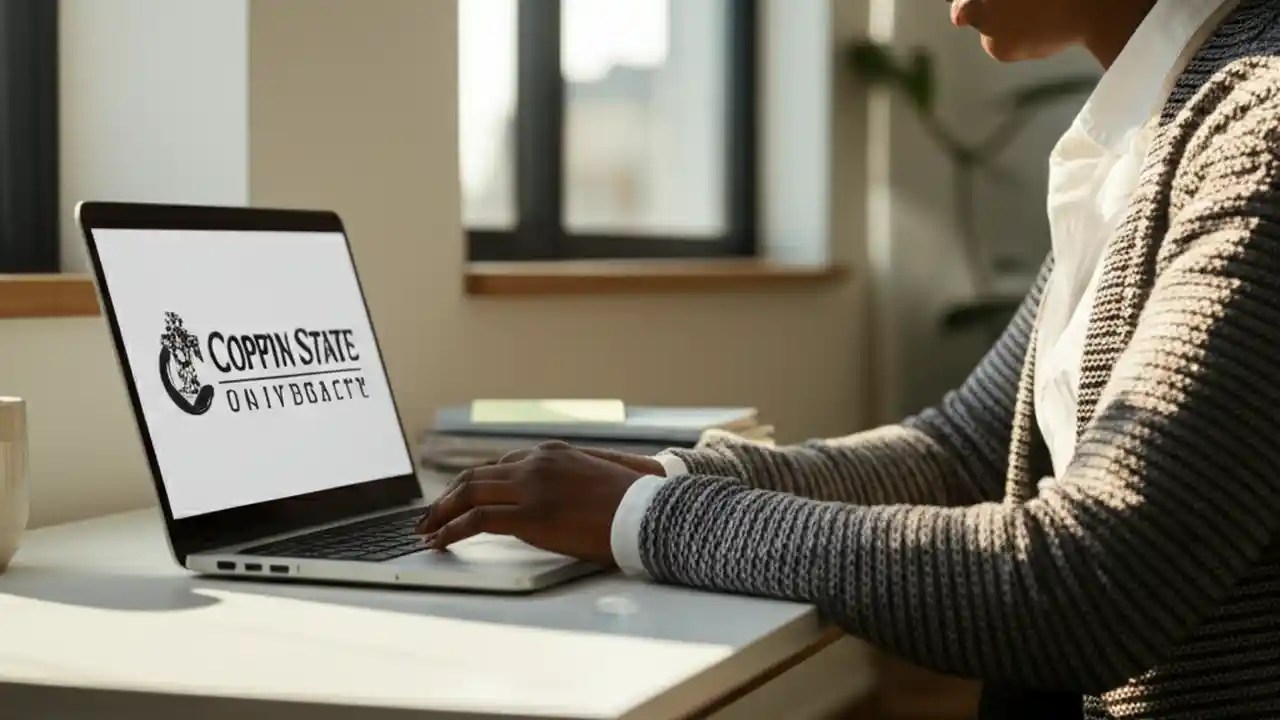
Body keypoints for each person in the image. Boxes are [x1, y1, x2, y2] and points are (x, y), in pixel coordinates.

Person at [419, 0, 1280, 717]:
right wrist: (667, 474)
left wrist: (650, 517)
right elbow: (964, 453)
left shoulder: (1261, 126)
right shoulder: (1153, 132)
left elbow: (1095, 586)